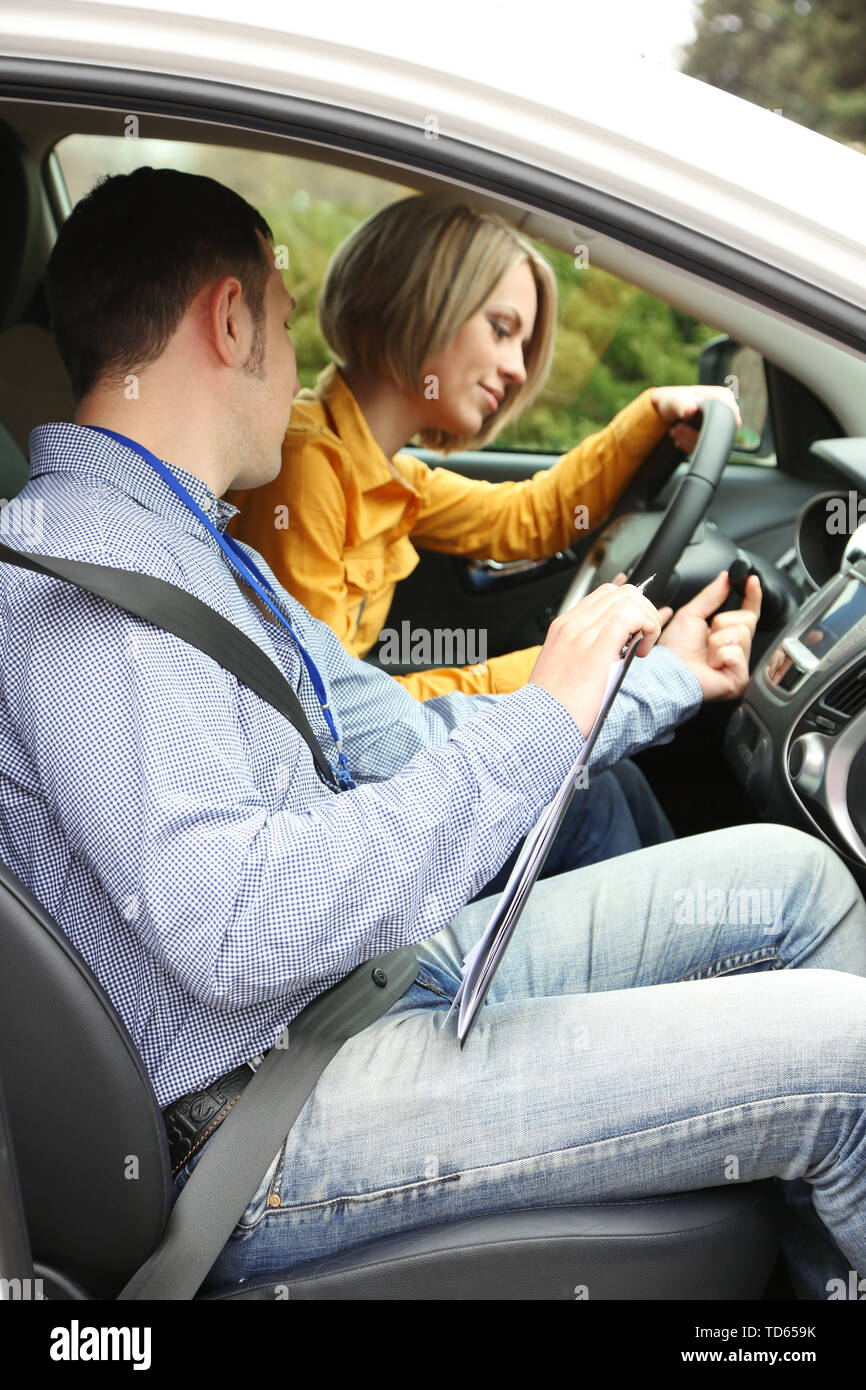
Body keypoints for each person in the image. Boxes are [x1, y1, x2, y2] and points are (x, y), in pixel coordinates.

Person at [3, 166, 865, 1301]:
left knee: (791, 881)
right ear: (227, 317)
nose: (302, 358)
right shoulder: (87, 588)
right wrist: (540, 721)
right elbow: (235, 923)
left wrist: (649, 682)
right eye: (279, 302)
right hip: (262, 1112)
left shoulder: (197, 549)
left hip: (355, 986)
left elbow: (393, 739)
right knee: (848, 1059)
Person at [227, 194, 746, 870]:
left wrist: (651, 416)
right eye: (502, 330)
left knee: (608, 779)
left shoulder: (386, 474)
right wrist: (565, 671)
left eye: (523, 344)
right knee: (592, 799)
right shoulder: (307, 466)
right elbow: (329, 724)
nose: (520, 369)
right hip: (327, 814)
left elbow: (527, 520)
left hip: (355, 771)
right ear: (422, 299)